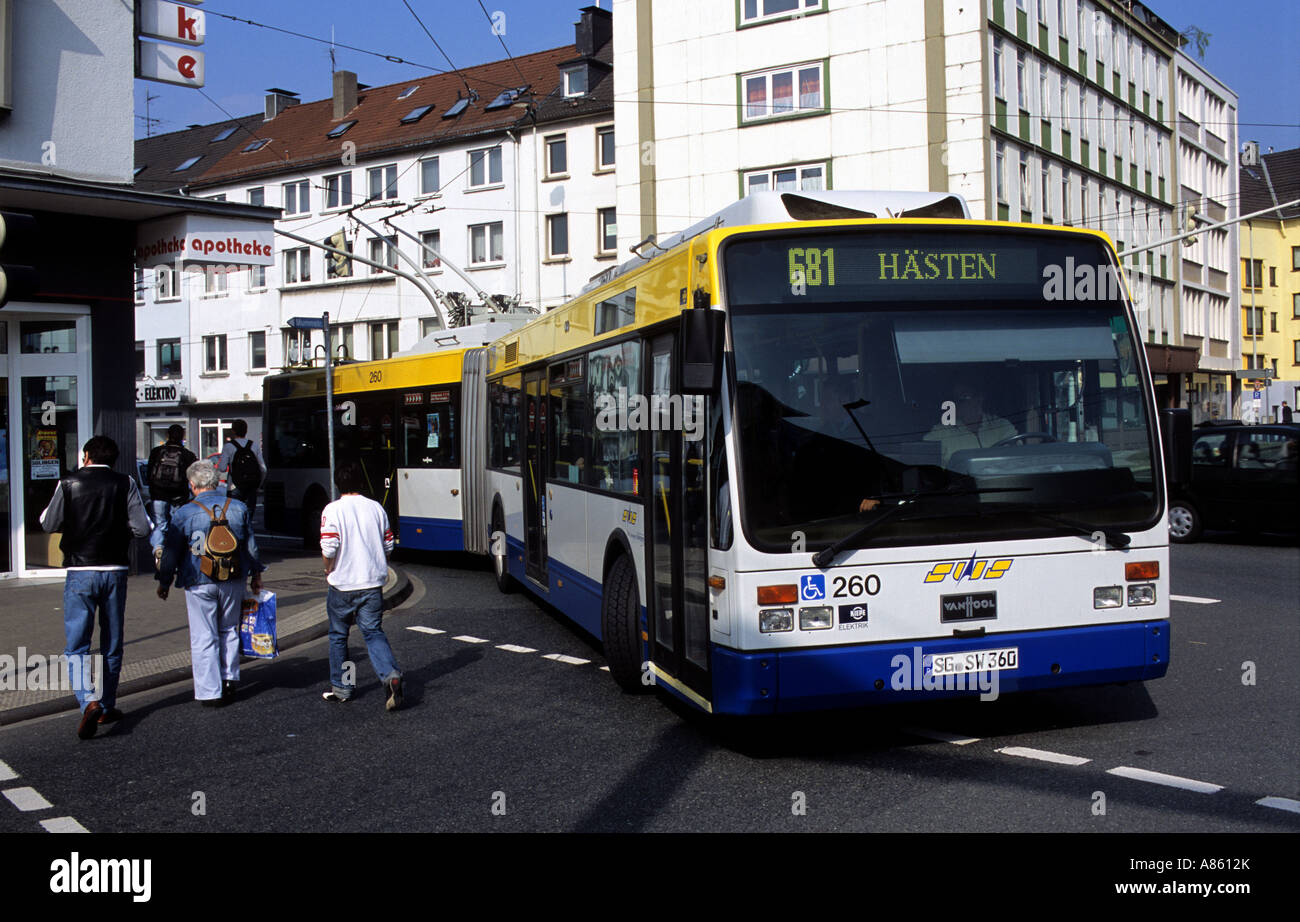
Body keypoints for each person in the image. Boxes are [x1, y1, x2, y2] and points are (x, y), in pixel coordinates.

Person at [40, 435, 152, 739]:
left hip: (80, 569)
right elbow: (142, 528)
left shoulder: (68, 482)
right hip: (115, 569)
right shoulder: (125, 483)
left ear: (87, 455)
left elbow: (48, 523)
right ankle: (105, 704)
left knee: (77, 644)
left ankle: (87, 701)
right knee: (112, 641)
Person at [154, 460, 264, 707]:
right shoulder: (238, 508)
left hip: (198, 579)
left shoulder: (183, 513)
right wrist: (256, 574)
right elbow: (251, 547)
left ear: (192, 485)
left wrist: (165, 581)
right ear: (216, 482)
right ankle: (229, 679)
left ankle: (210, 691)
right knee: (229, 629)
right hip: (233, 578)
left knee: (204, 635)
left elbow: (171, 552)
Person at [320, 460, 403, 710]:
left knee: (338, 636)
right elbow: (389, 545)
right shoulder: (376, 508)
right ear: (361, 481)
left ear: (337, 483)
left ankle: (343, 688)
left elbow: (329, 547)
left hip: (342, 585)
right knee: (373, 632)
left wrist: (327, 568)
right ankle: (390, 675)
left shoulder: (332, 510)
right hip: (372, 584)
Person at [923, 380, 1017, 465]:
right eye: (955, 398)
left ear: (980, 398)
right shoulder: (941, 432)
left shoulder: (1002, 427)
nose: (958, 402)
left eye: (964, 397)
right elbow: (922, 460)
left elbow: (1017, 461)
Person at [145, 424, 197, 551]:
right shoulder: (188, 455)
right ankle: (175, 552)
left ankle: (158, 548)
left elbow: (149, 474)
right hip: (178, 496)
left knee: (159, 525)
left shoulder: (156, 452)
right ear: (182, 436)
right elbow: (192, 478)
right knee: (177, 525)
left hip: (158, 495)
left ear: (167, 435)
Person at [217, 420, 266, 519]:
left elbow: (222, 468)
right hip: (251, 486)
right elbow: (263, 469)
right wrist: (258, 485)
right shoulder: (254, 445)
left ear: (233, 431)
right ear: (246, 431)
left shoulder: (228, 446)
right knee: (248, 518)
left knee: (234, 518)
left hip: (234, 487)